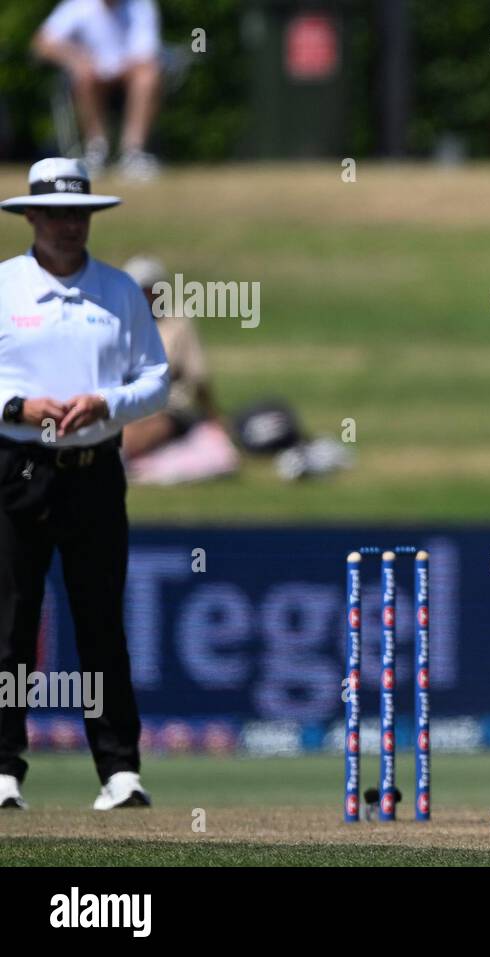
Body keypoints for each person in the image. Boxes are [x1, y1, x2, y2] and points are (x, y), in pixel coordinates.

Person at [0, 158, 169, 811]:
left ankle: (120, 770)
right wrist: (21, 408)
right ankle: (5, 767)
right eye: (56, 214)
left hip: (93, 468)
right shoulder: (7, 287)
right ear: (32, 217)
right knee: (12, 625)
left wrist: (106, 403)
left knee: (100, 620)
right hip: (17, 468)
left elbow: (154, 379)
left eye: (79, 214)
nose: (69, 226)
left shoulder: (119, 290)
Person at [119, 255, 239, 485]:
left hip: (169, 409)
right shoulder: (120, 324)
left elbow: (198, 377)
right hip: (127, 406)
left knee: (146, 431)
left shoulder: (177, 324)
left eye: (147, 290)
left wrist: (213, 416)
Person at [32, 0, 163, 180]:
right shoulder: (78, 5)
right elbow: (42, 43)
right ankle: (96, 150)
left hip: (128, 76)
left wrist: (112, 69)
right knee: (84, 74)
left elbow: (144, 55)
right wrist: (76, 57)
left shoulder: (140, 6)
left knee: (147, 76)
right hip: (92, 79)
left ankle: (133, 152)